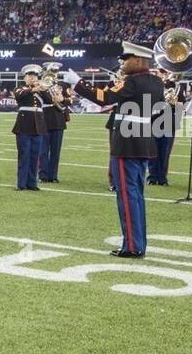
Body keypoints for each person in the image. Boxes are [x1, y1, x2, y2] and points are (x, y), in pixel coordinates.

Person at [64, 42, 163, 258]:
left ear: (138, 60)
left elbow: (104, 98)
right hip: (144, 140)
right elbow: (158, 113)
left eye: (126, 59)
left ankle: (132, 246)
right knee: (136, 195)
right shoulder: (157, 82)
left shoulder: (132, 81)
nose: (123, 63)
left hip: (127, 142)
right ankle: (138, 243)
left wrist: (78, 84)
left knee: (127, 196)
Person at [12, 64, 48, 192]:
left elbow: (50, 100)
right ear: (25, 78)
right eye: (30, 76)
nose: (32, 78)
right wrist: (33, 89)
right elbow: (19, 96)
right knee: (24, 155)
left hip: (38, 126)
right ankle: (21, 184)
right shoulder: (19, 88)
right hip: (23, 126)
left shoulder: (41, 90)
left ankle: (32, 183)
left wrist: (44, 89)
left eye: (34, 76)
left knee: (35, 156)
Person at [37, 62, 69, 184]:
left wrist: (63, 99)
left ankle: (53, 175)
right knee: (43, 151)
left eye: (56, 71)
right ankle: (43, 175)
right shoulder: (41, 85)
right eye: (52, 71)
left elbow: (69, 100)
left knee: (56, 151)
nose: (54, 74)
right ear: (45, 71)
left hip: (58, 120)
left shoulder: (61, 85)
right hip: (44, 118)